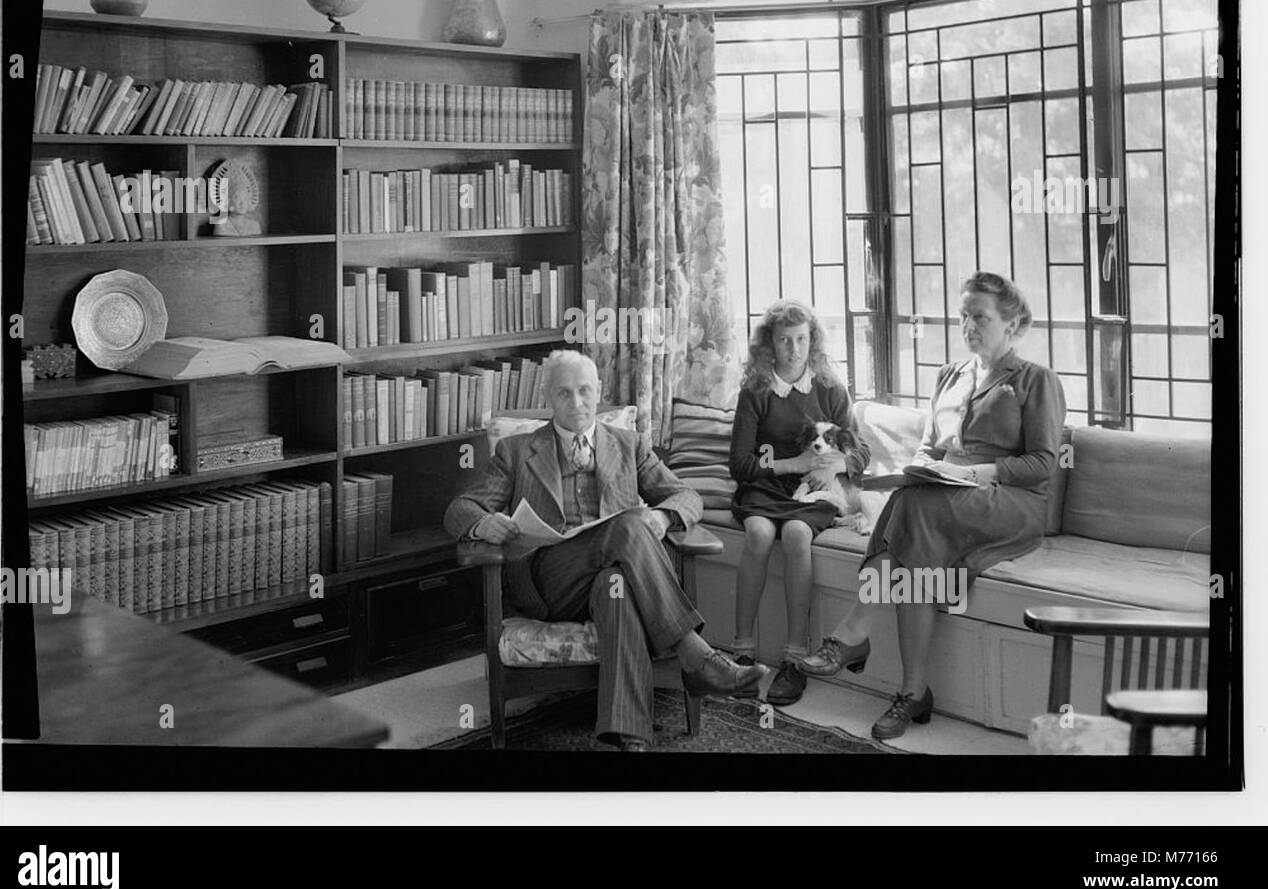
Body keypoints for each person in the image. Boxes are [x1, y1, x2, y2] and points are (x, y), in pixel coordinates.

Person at [444, 350, 763, 751]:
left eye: (584, 392)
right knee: (629, 526)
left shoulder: (630, 446)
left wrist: (663, 519)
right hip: (549, 583)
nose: (576, 403)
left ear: (598, 393)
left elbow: (686, 496)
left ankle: (629, 736)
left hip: (607, 581)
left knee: (616, 582)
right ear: (548, 397)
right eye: (564, 393)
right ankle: (696, 655)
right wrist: (482, 523)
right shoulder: (516, 451)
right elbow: (459, 509)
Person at [799, 272, 1067, 739]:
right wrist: (922, 469)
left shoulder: (1035, 381)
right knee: (915, 538)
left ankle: (853, 633)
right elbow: (928, 450)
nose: (967, 325)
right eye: (962, 316)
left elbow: (1043, 463)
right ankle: (912, 693)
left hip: (1010, 501)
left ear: (1012, 323)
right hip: (944, 499)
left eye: (979, 316)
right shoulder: (949, 376)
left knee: (914, 506)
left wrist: (976, 474)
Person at [727, 300, 870, 706]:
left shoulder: (830, 388)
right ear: (769, 343)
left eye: (802, 339)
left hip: (816, 490)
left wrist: (834, 465)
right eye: (785, 339)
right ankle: (741, 653)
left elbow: (862, 454)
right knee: (757, 532)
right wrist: (794, 461)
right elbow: (740, 464)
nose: (794, 348)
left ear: (813, 341)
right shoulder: (755, 391)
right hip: (766, 486)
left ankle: (794, 657)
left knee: (795, 535)